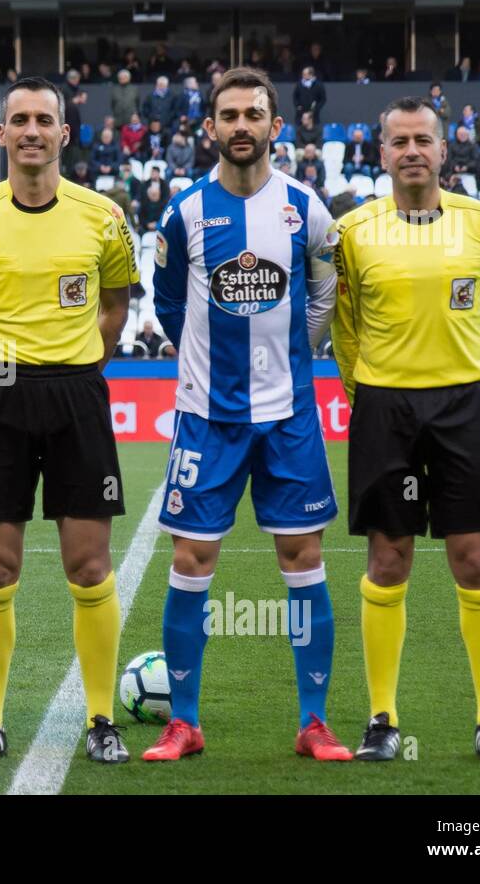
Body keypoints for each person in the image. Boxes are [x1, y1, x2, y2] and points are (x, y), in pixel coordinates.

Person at [146, 66, 348, 764]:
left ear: (275, 127)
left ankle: (314, 721)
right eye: (228, 115)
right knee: (191, 558)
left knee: (303, 556)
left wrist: (293, 354)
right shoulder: (186, 212)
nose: (240, 126)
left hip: (289, 414)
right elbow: (169, 302)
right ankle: (185, 721)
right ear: (209, 128)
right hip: (207, 416)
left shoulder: (306, 208)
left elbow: (324, 296)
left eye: (253, 115)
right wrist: (210, 361)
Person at [0, 76, 140, 764]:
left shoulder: (104, 216)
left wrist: (80, 361)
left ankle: (101, 718)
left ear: (64, 131)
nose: (31, 131)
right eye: (18, 120)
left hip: (77, 392)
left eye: (43, 120)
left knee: (89, 567)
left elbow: (115, 303)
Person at [331, 96, 480, 763]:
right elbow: (342, 320)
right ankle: (382, 718)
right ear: (380, 153)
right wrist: (361, 389)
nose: (412, 150)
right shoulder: (355, 231)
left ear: (444, 151)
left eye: (423, 139)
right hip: (385, 409)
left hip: (462, 407)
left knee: (472, 558)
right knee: (389, 561)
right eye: (399, 141)